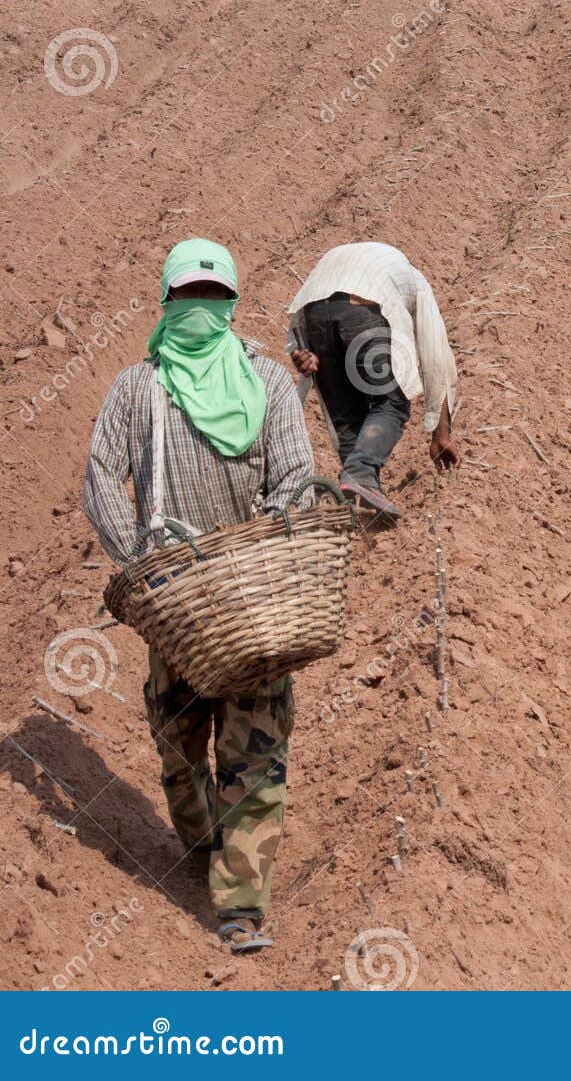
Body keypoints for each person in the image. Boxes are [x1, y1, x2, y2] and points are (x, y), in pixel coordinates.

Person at [82, 239, 314, 955]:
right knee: (178, 744)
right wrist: (144, 564)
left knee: (256, 748)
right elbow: (100, 478)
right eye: (189, 299)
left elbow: (297, 477)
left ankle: (241, 905)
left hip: (251, 601)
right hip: (175, 606)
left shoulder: (269, 383)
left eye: (214, 300)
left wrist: (264, 550)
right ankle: (204, 843)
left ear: (233, 302)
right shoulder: (137, 388)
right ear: (167, 301)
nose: (202, 312)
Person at [287, 241, 459, 517]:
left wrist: (304, 349)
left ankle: (358, 507)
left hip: (313, 313)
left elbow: (304, 309)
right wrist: (441, 434)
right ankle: (361, 475)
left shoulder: (340, 259)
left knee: (346, 418)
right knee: (390, 404)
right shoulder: (414, 279)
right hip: (363, 307)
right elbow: (435, 353)